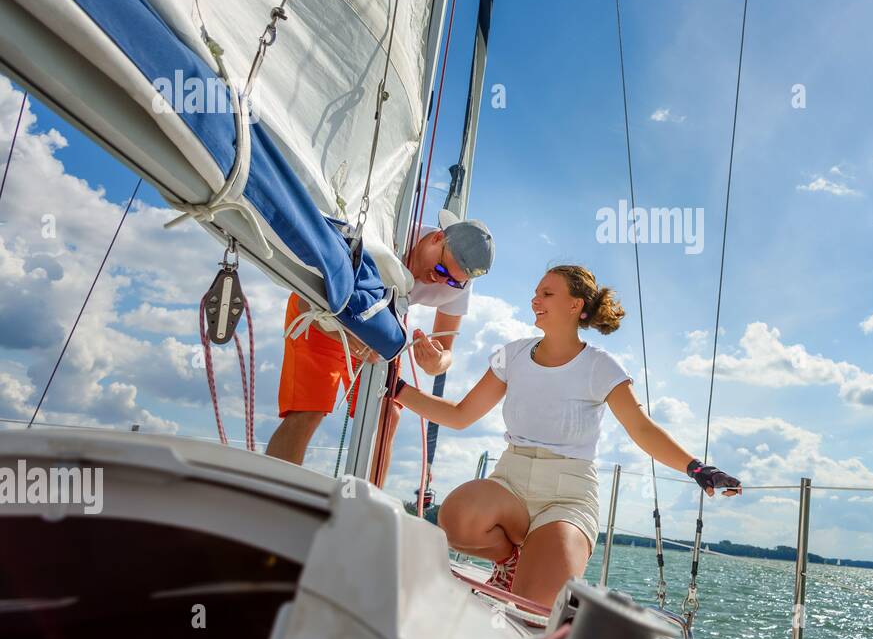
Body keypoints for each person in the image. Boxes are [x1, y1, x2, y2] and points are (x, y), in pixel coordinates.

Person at [392, 264, 741, 607]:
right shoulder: (511, 355)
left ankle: (539, 564)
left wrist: (698, 469)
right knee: (456, 520)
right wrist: (397, 387)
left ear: (575, 305)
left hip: (567, 497)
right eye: (535, 293)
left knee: (534, 605)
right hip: (510, 483)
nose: (535, 300)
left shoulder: (600, 366)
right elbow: (460, 415)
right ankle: (510, 562)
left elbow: (641, 428)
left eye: (547, 293)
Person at [266, 210, 495, 487]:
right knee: (307, 412)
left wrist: (436, 363)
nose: (441, 282)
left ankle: (362, 504)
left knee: (389, 414)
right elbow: (308, 293)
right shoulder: (389, 228)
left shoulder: (457, 282)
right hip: (322, 309)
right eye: (441, 270)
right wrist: (348, 340)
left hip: (379, 330)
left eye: (454, 281)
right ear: (436, 238)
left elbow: (446, 352)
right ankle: (271, 495)